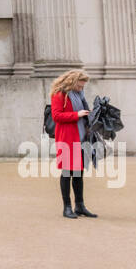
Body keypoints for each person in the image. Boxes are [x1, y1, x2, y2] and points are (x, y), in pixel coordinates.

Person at [50, 68, 97, 218]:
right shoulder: (59, 94)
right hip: (67, 137)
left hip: (81, 135)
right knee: (67, 172)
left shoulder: (79, 94)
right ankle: (67, 207)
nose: (81, 88)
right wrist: (77, 115)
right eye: (80, 85)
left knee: (78, 173)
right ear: (72, 82)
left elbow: (84, 112)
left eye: (83, 86)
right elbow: (57, 116)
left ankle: (80, 206)